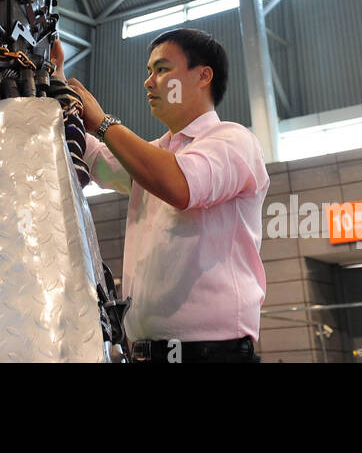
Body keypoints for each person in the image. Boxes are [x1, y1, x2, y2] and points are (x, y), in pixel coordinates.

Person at [56, 27, 269, 364]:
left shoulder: (234, 141)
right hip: (147, 355)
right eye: (149, 71)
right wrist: (55, 85)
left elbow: (180, 185)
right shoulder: (155, 156)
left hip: (213, 356)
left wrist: (103, 122)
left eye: (162, 69)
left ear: (203, 76)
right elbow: (97, 158)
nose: (149, 81)